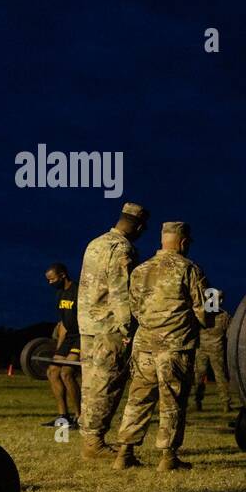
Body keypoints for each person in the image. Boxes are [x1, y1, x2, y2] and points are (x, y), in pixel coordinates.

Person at [113, 222, 209, 472]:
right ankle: (168, 458)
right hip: (175, 347)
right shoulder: (189, 269)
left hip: (144, 345)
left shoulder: (140, 270)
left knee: (138, 398)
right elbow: (204, 313)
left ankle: (124, 453)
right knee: (172, 400)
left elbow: (134, 308)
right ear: (184, 243)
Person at [77, 202, 149, 459]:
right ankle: (94, 442)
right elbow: (121, 292)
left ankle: (88, 437)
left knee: (89, 384)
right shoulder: (122, 249)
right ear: (139, 227)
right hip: (110, 327)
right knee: (106, 383)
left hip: (87, 324)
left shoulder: (95, 243)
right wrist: (127, 327)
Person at [44, 263, 82, 427]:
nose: (50, 283)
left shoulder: (78, 291)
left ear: (63, 275)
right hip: (69, 337)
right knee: (52, 371)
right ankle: (63, 416)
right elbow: (63, 324)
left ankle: (80, 416)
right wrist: (58, 350)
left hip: (82, 336)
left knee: (67, 373)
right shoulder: (60, 294)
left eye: (52, 279)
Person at [194, 291, 232, 412]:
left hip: (202, 349)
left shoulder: (201, 314)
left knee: (199, 377)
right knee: (220, 376)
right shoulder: (224, 316)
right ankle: (225, 404)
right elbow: (230, 333)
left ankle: (197, 402)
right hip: (215, 350)